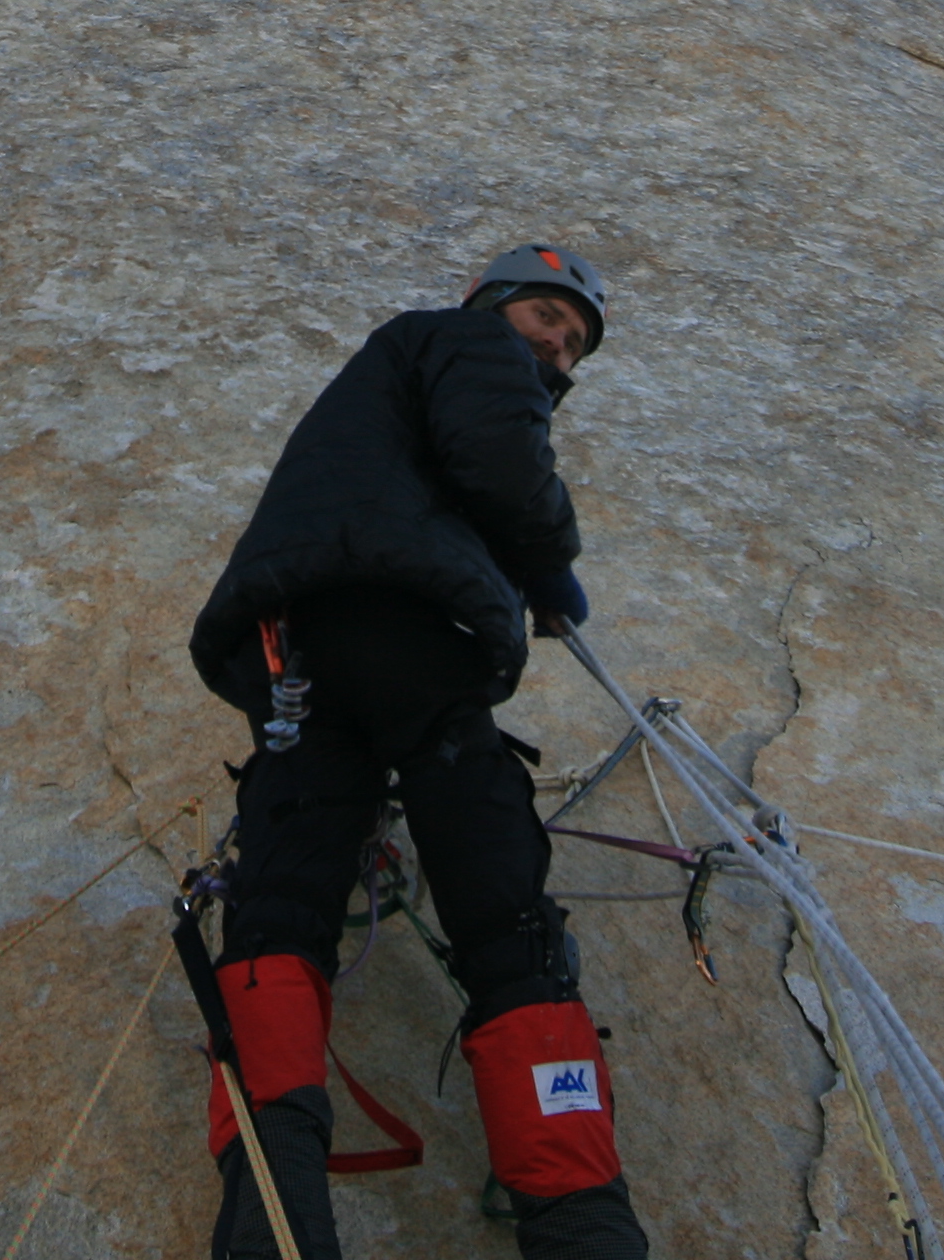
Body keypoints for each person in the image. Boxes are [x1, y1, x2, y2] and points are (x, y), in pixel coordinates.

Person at [185, 245, 648, 1260]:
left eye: (572, 343)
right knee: (498, 895)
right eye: (545, 318)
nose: (556, 347)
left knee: (282, 896)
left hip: (297, 642)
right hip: (408, 633)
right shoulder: (464, 340)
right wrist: (548, 563)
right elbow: (498, 452)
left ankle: (270, 1212)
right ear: (491, 305)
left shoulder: (398, 379)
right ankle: (579, 1221)